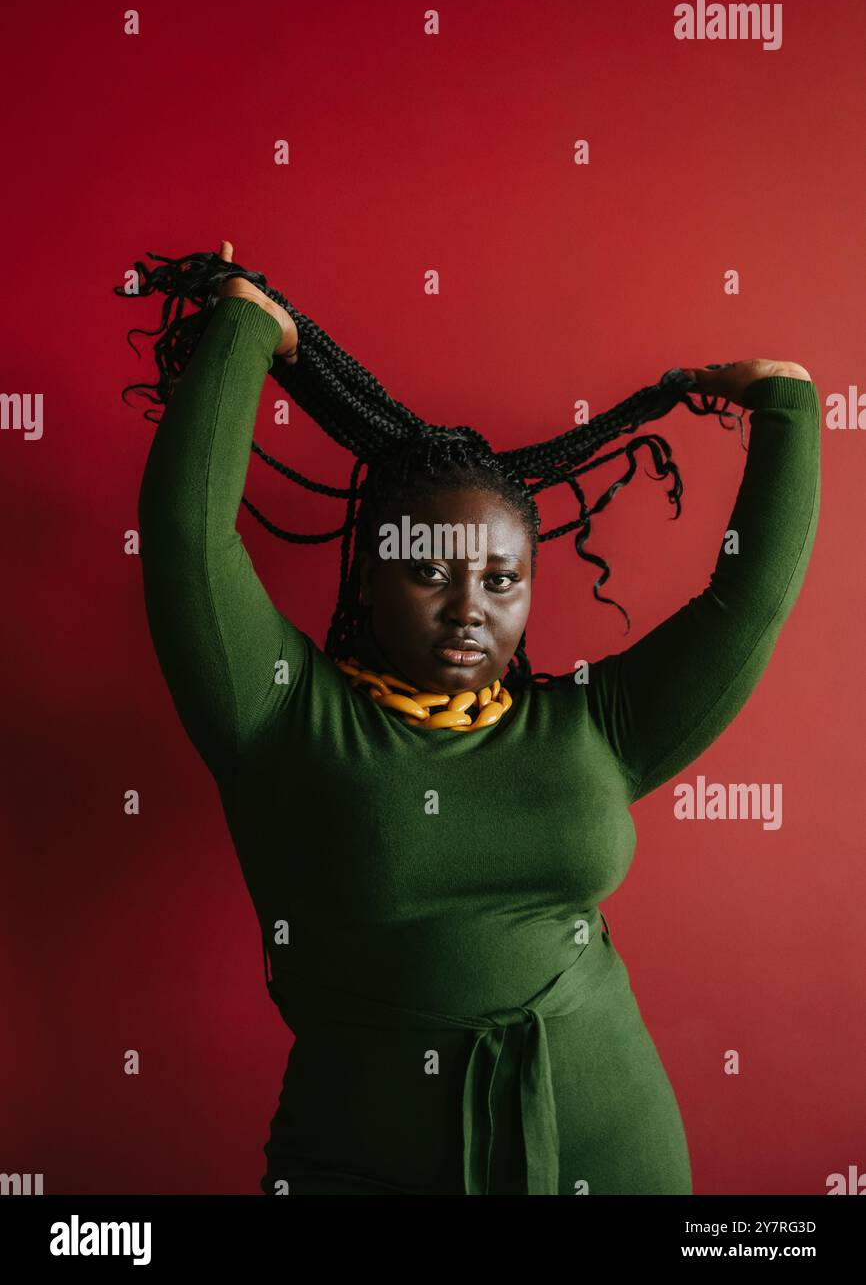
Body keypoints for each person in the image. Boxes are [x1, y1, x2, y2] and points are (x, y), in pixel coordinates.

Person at [135, 240, 820, 1194]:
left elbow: (747, 606)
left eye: (501, 579)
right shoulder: (280, 715)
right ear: (369, 577)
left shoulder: (591, 726)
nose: (470, 607)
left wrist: (787, 405)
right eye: (431, 570)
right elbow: (185, 543)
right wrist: (247, 325)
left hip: (616, 1156)